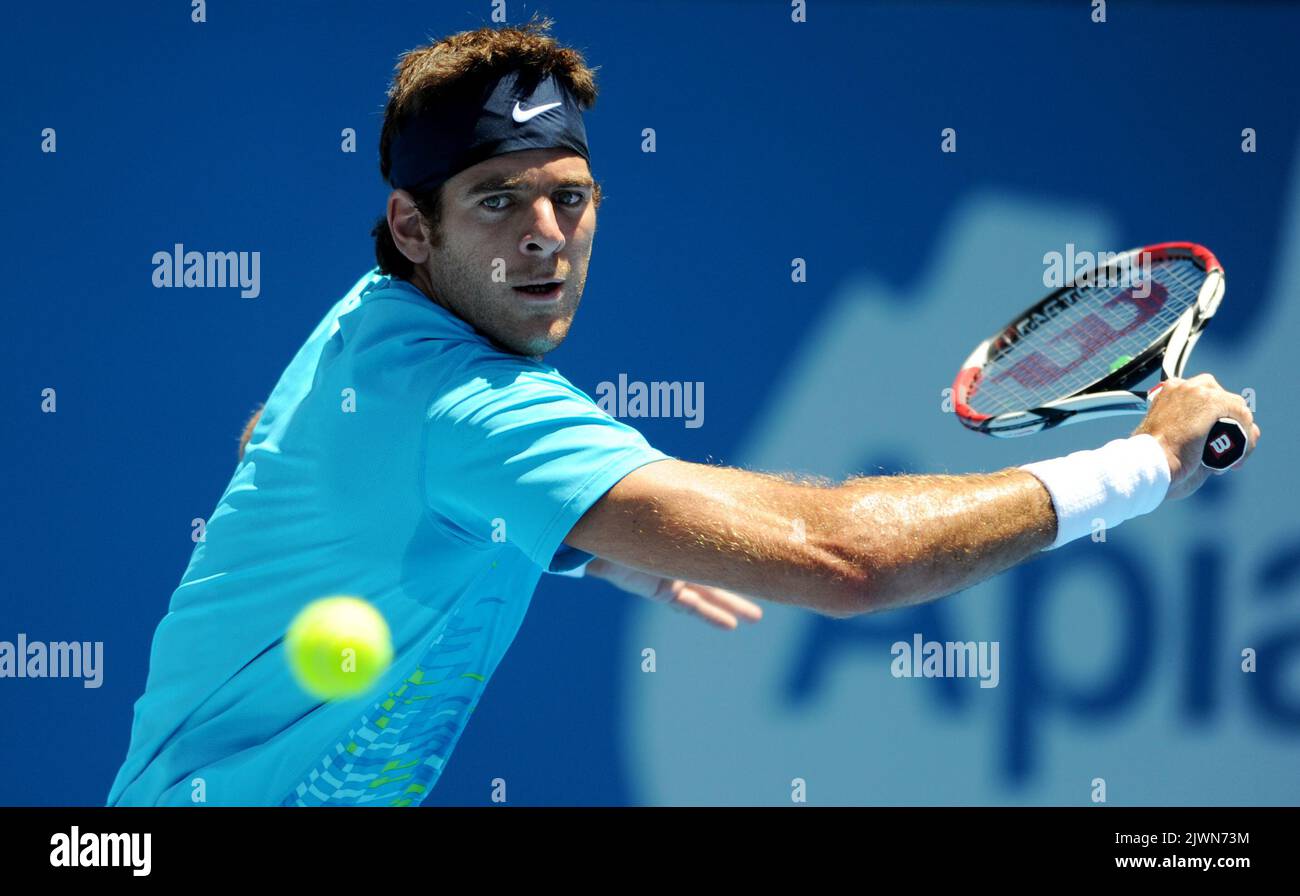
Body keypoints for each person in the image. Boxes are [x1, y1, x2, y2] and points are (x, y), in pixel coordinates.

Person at [107, 18, 1259, 807]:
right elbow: (847, 559)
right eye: (496, 200)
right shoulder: (467, 406)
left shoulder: (370, 327)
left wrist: (582, 543)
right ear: (415, 228)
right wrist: (1147, 465)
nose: (543, 235)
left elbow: (274, 434)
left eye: (568, 197)